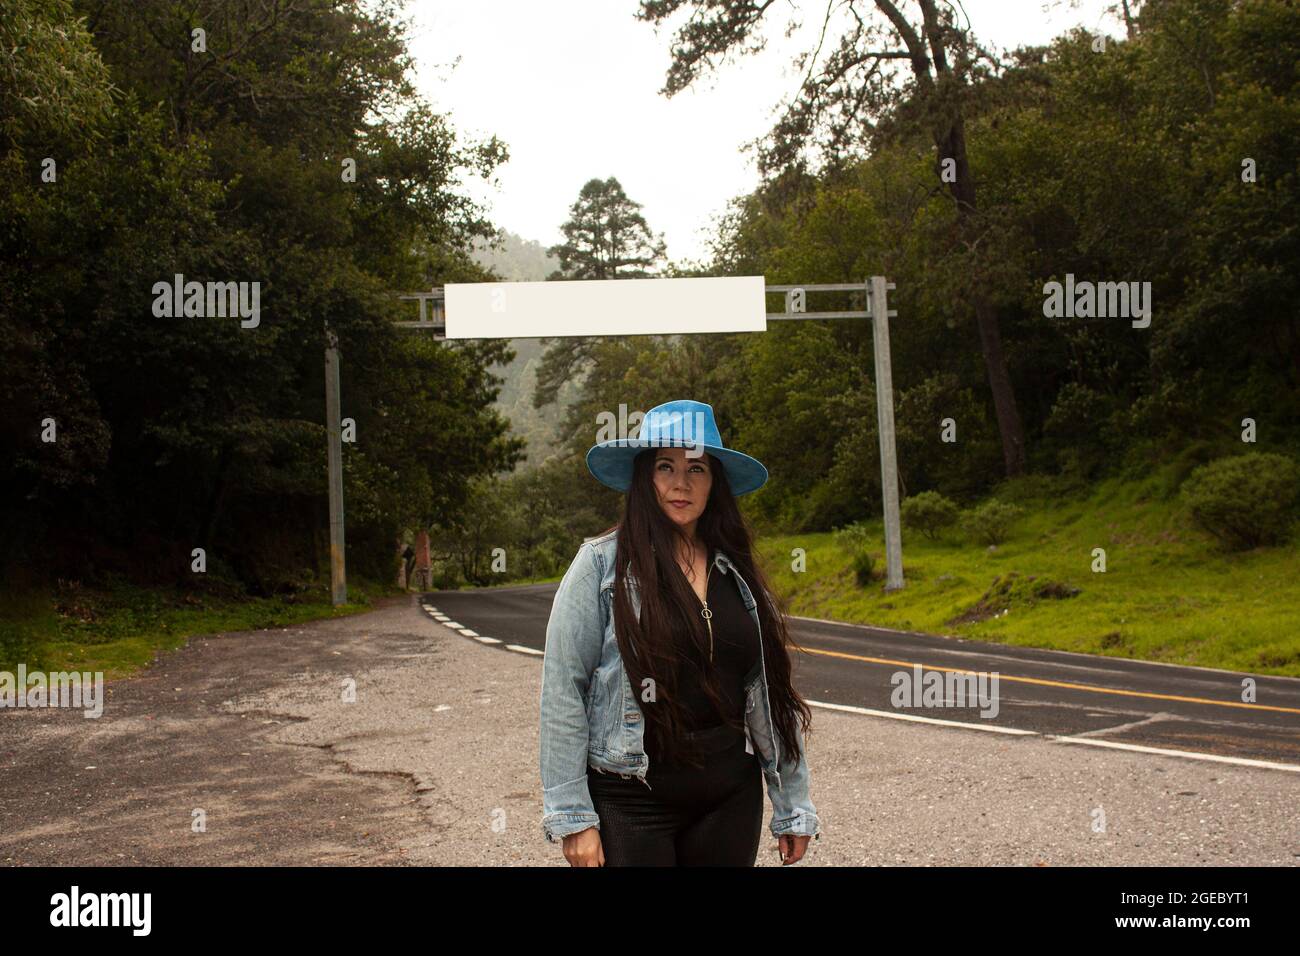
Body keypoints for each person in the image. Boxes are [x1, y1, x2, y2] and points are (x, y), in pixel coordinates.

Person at [539, 399, 821, 866]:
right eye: (665, 466)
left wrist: (792, 806)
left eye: (697, 468)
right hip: (632, 798)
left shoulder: (738, 574)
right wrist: (573, 817)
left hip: (729, 796)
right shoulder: (599, 566)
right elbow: (564, 689)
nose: (680, 483)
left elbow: (771, 696)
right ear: (645, 477)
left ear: (715, 483)